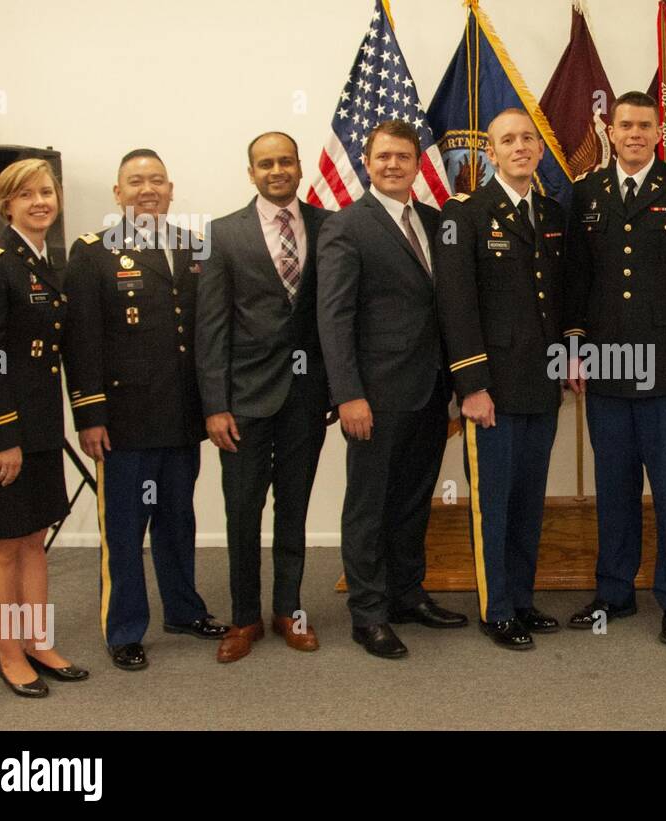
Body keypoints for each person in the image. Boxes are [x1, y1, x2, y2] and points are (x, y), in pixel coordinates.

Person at [564, 90, 666, 644]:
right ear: (609, 130)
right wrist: (574, 347)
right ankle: (614, 592)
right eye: (624, 125)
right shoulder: (585, 193)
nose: (633, 134)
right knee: (615, 487)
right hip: (606, 365)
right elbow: (575, 280)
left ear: (659, 131)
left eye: (644, 125)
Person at [64, 149, 226, 672]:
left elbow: (204, 334)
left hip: (181, 418)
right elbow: (81, 340)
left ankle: (183, 610)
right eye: (135, 181)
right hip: (124, 423)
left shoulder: (193, 247)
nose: (147, 189)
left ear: (172, 189)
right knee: (125, 530)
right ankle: (125, 629)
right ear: (118, 194)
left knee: (179, 521)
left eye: (157, 180)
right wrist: (89, 415)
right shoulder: (93, 253)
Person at [317, 120, 468, 661]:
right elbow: (333, 319)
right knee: (369, 506)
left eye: (403, 157)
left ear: (417, 163)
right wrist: (347, 394)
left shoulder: (433, 219)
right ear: (367, 160)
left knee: (411, 502)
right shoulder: (346, 226)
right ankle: (369, 613)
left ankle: (408, 594)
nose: (393, 165)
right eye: (383, 156)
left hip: (429, 389)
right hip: (374, 397)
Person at [0, 159, 88, 697]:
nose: (40, 201)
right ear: (6, 205)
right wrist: (4, 437)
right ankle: (10, 656)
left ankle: (38, 641)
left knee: (33, 540)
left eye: (47, 192)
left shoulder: (43, 262)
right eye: (26, 194)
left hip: (38, 429)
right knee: (0, 547)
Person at [434, 108, 566, 651]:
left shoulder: (554, 212)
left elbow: (561, 297)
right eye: (506, 140)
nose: (519, 147)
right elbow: (455, 305)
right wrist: (472, 386)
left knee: (529, 498)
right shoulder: (463, 214)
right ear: (489, 153)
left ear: (539, 149)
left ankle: (522, 597)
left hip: (542, 382)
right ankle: (496, 608)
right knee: (493, 500)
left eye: (527, 139)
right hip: (492, 388)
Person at [196, 132, 332, 663]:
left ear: (300, 168)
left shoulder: (328, 226)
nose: (277, 170)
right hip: (244, 401)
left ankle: (289, 610)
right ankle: (245, 618)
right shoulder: (222, 233)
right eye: (265, 163)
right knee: (243, 512)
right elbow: (211, 328)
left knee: (294, 509)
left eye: (285, 161)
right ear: (250, 172)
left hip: (306, 396)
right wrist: (214, 405)